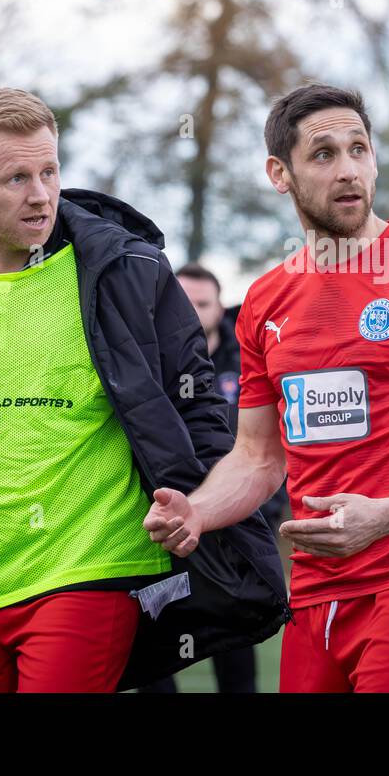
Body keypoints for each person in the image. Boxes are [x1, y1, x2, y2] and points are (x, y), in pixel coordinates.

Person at [0, 87, 286, 692]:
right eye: (16, 178)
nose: (40, 194)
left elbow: (196, 408)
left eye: (50, 171)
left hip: (93, 567)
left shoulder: (126, 272)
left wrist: (205, 508)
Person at [143, 82, 389, 692]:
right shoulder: (263, 301)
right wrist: (199, 512)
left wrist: (387, 516)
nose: (348, 170)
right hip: (312, 588)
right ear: (279, 174)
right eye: (323, 154)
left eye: (358, 149)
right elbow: (260, 457)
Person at [138, 262, 287, 693]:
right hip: (160, 517)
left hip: (237, 519)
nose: (193, 312)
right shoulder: (146, 362)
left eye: (202, 304)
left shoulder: (249, 361)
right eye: (183, 303)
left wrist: (260, 510)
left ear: (220, 307)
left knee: (233, 630)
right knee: (153, 630)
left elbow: (270, 446)